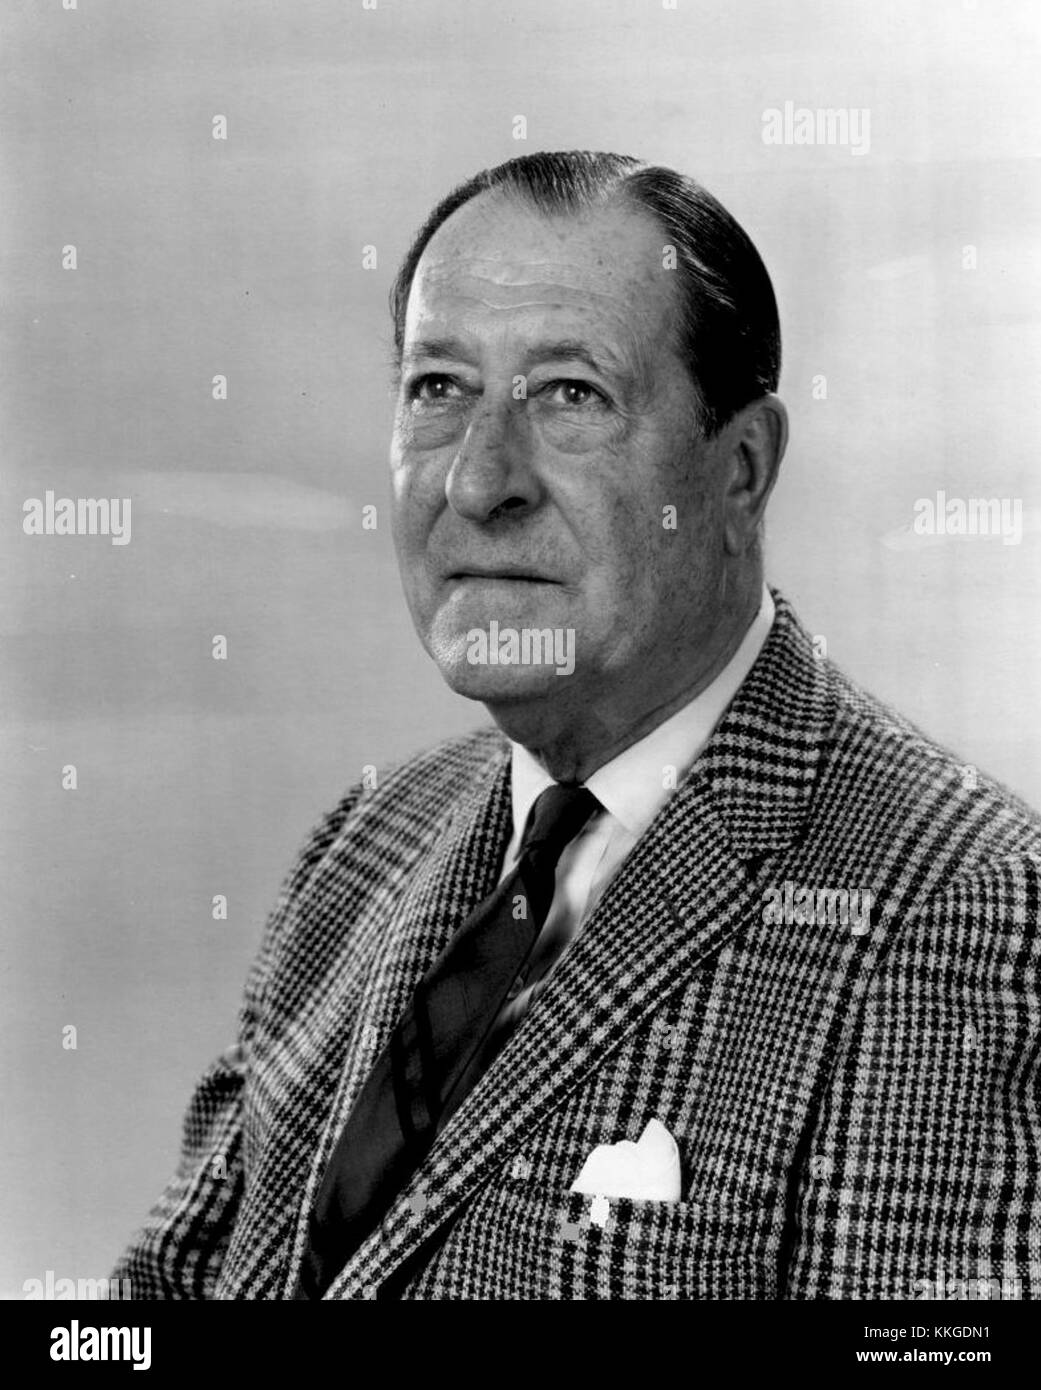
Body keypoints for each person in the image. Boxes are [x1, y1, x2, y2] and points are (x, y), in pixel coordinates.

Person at [113, 151, 1041, 1301]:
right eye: (438, 388)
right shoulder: (364, 842)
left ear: (741, 470)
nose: (478, 480)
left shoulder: (967, 910)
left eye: (570, 395)